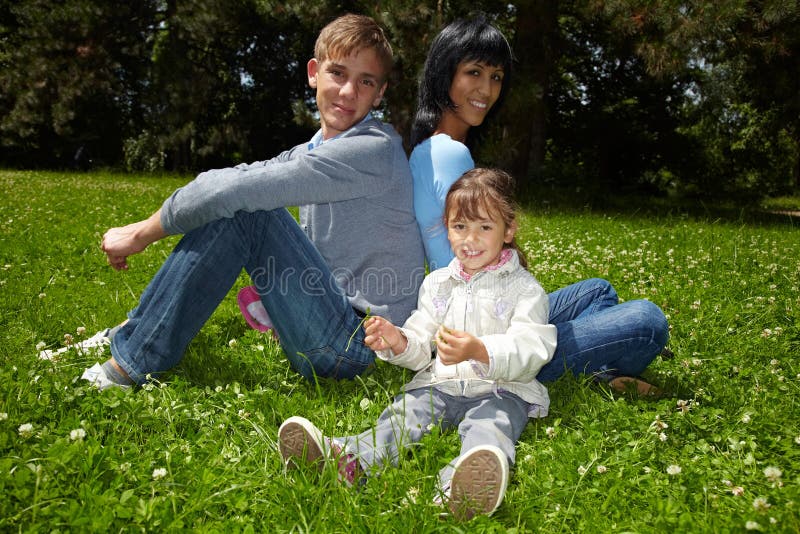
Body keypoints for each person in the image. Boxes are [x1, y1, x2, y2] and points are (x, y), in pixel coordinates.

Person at [40, 14, 426, 388]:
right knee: (239, 201)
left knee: (245, 209)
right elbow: (235, 181)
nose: (348, 92)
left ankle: (132, 360)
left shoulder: (374, 150)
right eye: (338, 73)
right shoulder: (310, 151)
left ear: (380, 93)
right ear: (314, 72)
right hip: (331, 325)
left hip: (363, 346)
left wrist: (141, 233)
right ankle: (131, 331)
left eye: (366, 81)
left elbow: (234, 191)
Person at [408, 16, 669, 394]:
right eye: (474, 72)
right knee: (647, 321)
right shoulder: (450, 153)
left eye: (496, 77)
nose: (487, 89)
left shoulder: (428, 146)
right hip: (477, 336)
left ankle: (585, 364)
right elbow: (481, 247)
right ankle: (570, 368)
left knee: (597, 291)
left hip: (481, 303)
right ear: (443, 73)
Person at [278, 168, 557, 520]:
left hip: (501, 388)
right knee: (402, 419)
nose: (470, 239)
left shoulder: (525, 289)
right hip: (438, 384)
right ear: (447, 229)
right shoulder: (438, 284)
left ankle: (460, 491)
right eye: (460, 227)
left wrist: (480, 351)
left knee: (491, 429)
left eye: (484, 227)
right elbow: (422, 341)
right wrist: (398, 341)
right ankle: (347, 461)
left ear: (509, 230)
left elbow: (532, 346)